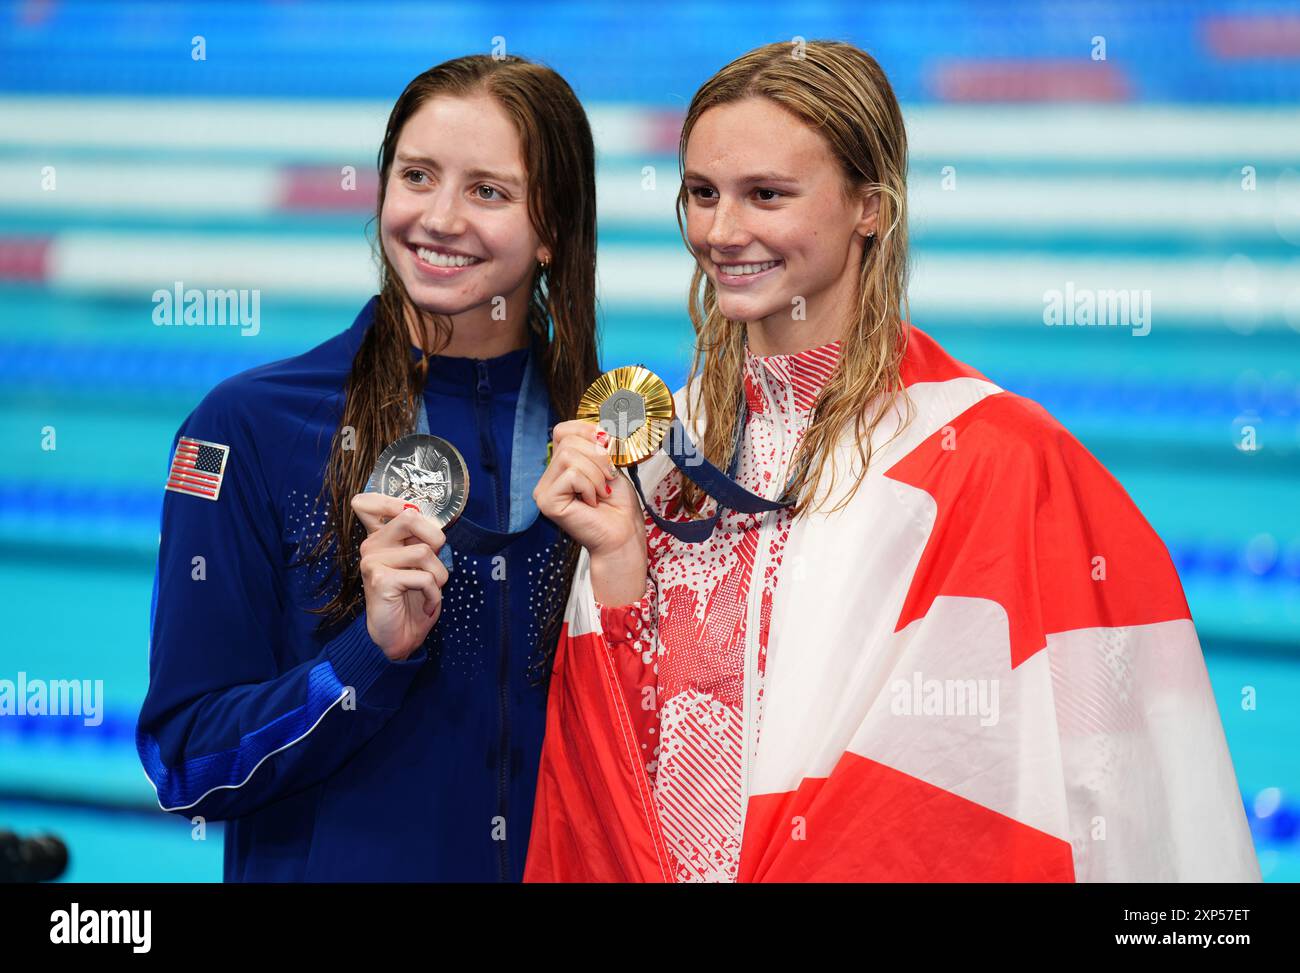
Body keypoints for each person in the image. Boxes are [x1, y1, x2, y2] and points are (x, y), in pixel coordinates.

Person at [526, 39, 1260, 882]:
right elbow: (613, 769)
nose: (721, 232)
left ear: (869, 206)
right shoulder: (661, 453)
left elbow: (1107, 784)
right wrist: (614, 559)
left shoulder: (991, 455)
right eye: (701, 194)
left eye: (766, 194)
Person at [136, 54, 598, 881]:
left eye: (487, 191)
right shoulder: (248, 427)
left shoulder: (606, 447)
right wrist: (369, 655)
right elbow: (186, 760)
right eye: (417, 176)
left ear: (553, 228)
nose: (439, 218)